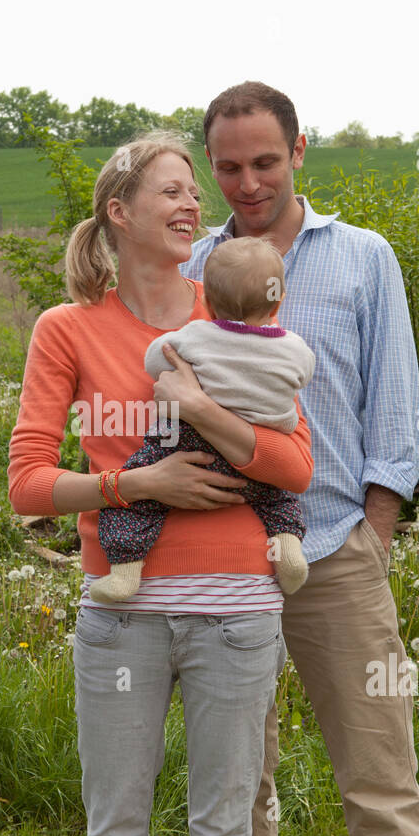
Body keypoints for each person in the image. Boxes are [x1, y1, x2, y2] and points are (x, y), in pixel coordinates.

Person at [7, 131, 313, 836]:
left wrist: (201, 411)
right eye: (171, 190)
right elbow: (28, 484)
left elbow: (295, 470)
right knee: (115, 835)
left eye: (192, 192)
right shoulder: (67, 330)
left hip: (238, 614)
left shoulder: (236, 310)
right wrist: (138, 482)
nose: (193, 204)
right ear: (119, 210)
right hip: (123, 619)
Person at [179, 81, 419, 836]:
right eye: (228, 168)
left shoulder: (363, 257)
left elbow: (395, 410)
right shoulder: (193, 265)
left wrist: (374, 536)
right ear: (210, 166)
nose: (248, 184)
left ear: (298, 151)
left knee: (381, 778)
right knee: (236, 787)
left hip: (333, 550)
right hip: (221, 558)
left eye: (265, 161)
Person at [90, 235, 315, 603]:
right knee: (278, 499)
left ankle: (125, 570)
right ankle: (288, 547)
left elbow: (155, 362)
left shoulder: (195, 336)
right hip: (255, 454)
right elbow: (302, 376)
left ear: (208, 302)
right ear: (279, 298)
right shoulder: (294, 347)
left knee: (136, 498)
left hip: (188, 445)